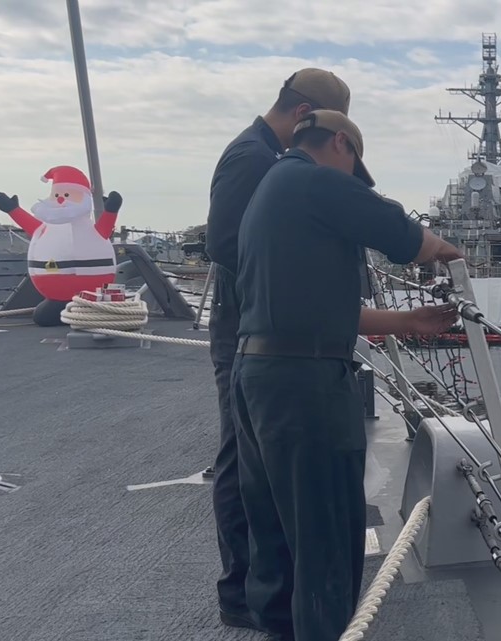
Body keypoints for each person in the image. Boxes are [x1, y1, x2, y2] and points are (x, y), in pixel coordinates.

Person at [232, 109, 464, 641]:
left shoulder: (272, 192)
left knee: (275, 533)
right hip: (305, 387)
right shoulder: (314, 181)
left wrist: (406, 321)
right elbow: (402, 235)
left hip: (260, 373)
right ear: (340, 143)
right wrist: (447, 252)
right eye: (352, 166)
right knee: (327, 537)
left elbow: (317, 308)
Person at [203, 68, 353, 631]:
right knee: (244, 460)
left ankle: (261, 589)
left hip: (259, 323)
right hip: (248, 325)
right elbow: (225, 241)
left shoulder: (266, 155)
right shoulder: (252, 159)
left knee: (253, 459)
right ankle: (241, 591)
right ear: (301, 116)